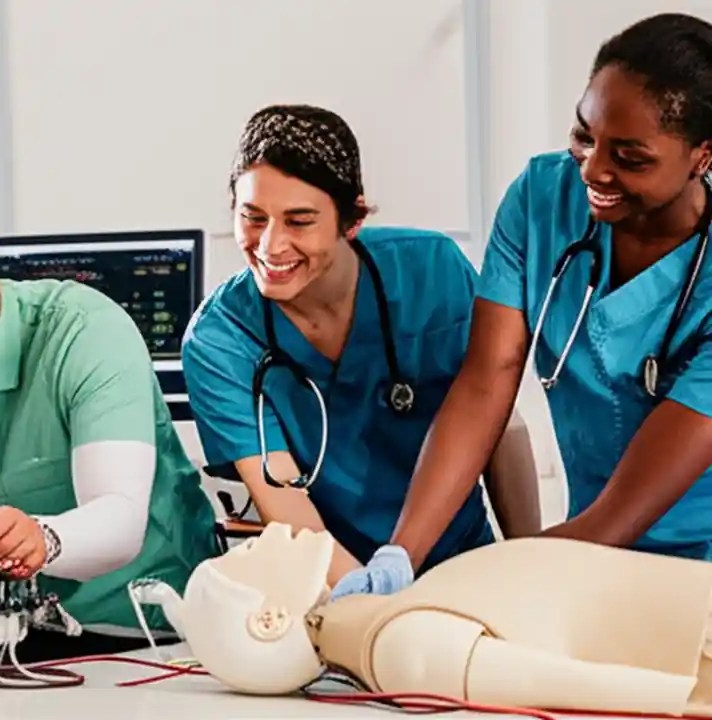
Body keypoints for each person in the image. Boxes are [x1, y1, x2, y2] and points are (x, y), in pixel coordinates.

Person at [333, 12, 712, 598]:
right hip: (593, 552)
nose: (593, 169)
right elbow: (486, 381)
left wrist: (481, 580)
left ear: (702, 156)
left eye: (630, 157)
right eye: (584, 136)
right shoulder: (542, 198)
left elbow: (618, 517)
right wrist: (402, 554)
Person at [0, 173, 218, 657]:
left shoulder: (86, 331)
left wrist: (42, 538)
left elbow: (120, 524)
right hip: (10, 639)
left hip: (153, 635)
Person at [182, 104, 541, 589]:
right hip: (334, 582)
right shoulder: (220, 340)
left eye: (299, 221)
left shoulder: (430, 271)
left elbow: (499, 424)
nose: (270, 245)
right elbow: (288, 512)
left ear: (351, 220)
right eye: (253, 218)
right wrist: (370, 604)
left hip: (465, 569)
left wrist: (531, 565)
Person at [139, 521, 712, 717]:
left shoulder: (402, 619)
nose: (267, 533)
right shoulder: (406, 649)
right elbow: (635, 694)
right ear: (269, 620)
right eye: (247, 553)